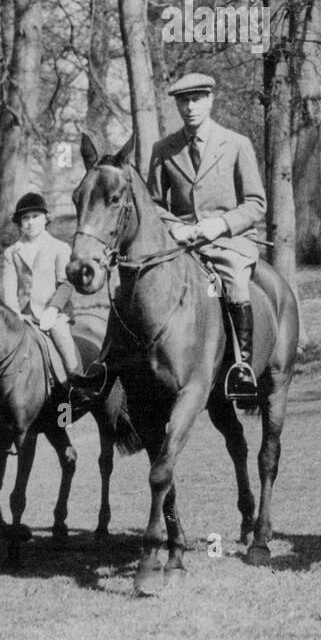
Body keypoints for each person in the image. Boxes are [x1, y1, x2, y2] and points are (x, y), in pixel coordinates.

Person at [73, 71, 267, 402]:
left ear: (210, 100)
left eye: (197, 99)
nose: (190, 107)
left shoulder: (237, 144)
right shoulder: (164, 149)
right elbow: (155, 205)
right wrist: (175, 226)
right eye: (184, 101)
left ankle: (241, 368)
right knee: (126, 290)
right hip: (178, 242)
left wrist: (217, 225)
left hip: (227, 240)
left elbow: (255, 203)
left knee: (232, 278)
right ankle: (106, 365)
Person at [0, 191, 85, 419]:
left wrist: (53, 310)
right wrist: (14, 312)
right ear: (19, 223)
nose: (30, 222)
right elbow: (9, 286)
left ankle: (78, 387)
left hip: (54, 312)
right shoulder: (12, 252)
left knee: (62, 339)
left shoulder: (59, 248)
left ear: (45, 218)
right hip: (22, 315)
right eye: (25, 218)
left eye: (35, 216)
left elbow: (66, 285)